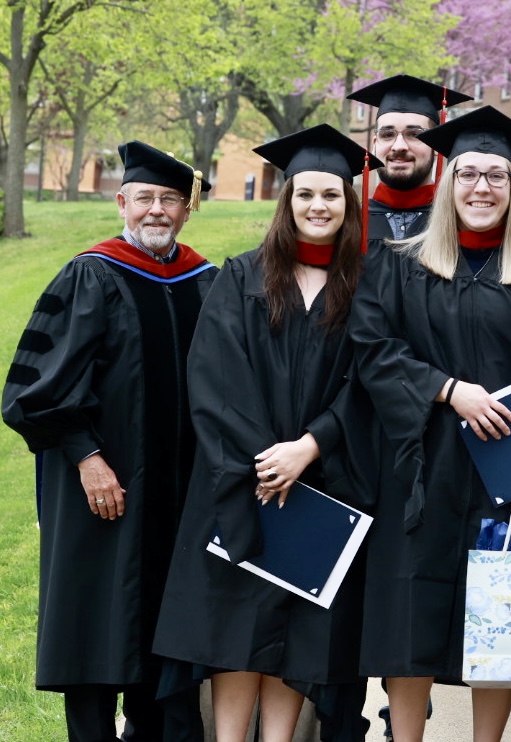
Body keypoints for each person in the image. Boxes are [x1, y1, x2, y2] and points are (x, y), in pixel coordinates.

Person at [349, 105, 511, 742]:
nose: (482, 187)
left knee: (502, 616)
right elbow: (371, 347)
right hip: (420, 469)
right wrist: (446, 390)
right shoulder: (399, 265)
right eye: (468, 173)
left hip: (506, 477)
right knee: (410, 617)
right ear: (448, 181)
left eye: (497, 175)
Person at [152, 124, 380, 742]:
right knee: (235, 626)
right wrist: (266, 459)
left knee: (299, 633)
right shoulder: (241, 276)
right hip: (242, 481)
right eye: (305, 194)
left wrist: (312, 445)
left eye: (331, 196)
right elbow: (215, 376)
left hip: (327, 482)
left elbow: (373, 382)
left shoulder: (371, 284)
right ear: (287, 199)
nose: (317, 206)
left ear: (348, 203)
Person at [2, 142, 214, 742]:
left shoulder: (205, 282)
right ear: (122, 202)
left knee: (167, 640)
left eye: (169, 199)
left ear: (186, 209)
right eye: (144, 198)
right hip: (99, 491)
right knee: (95, 631)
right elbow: (33, 391)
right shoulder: (90, 274)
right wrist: (87, 458)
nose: (156, 211)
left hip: (178, 500)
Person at [347, 74, 472, 248]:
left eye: (414, 135)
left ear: (436, 145)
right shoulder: (348, 224)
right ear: (375, 144)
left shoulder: (461, 223)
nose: (399, 146)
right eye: (387, 134)